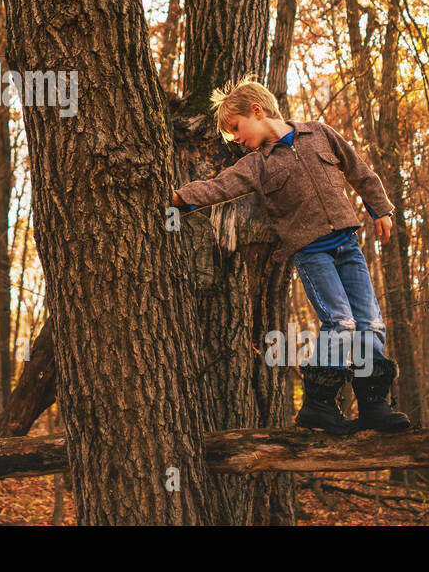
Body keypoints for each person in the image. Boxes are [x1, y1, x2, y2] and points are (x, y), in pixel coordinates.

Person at [171, 75, 411, 434]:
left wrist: (381, 209)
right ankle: (319, 405)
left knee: (370, 324)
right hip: (311, 253)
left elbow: (359, 171)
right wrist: (179, 198)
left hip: (348, 245)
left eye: (236, 128)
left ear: (257, 110)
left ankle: (374, 404)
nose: (235, 138)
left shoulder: (319, 133)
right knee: (341, 323)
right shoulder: (257, 164)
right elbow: (219, 186)